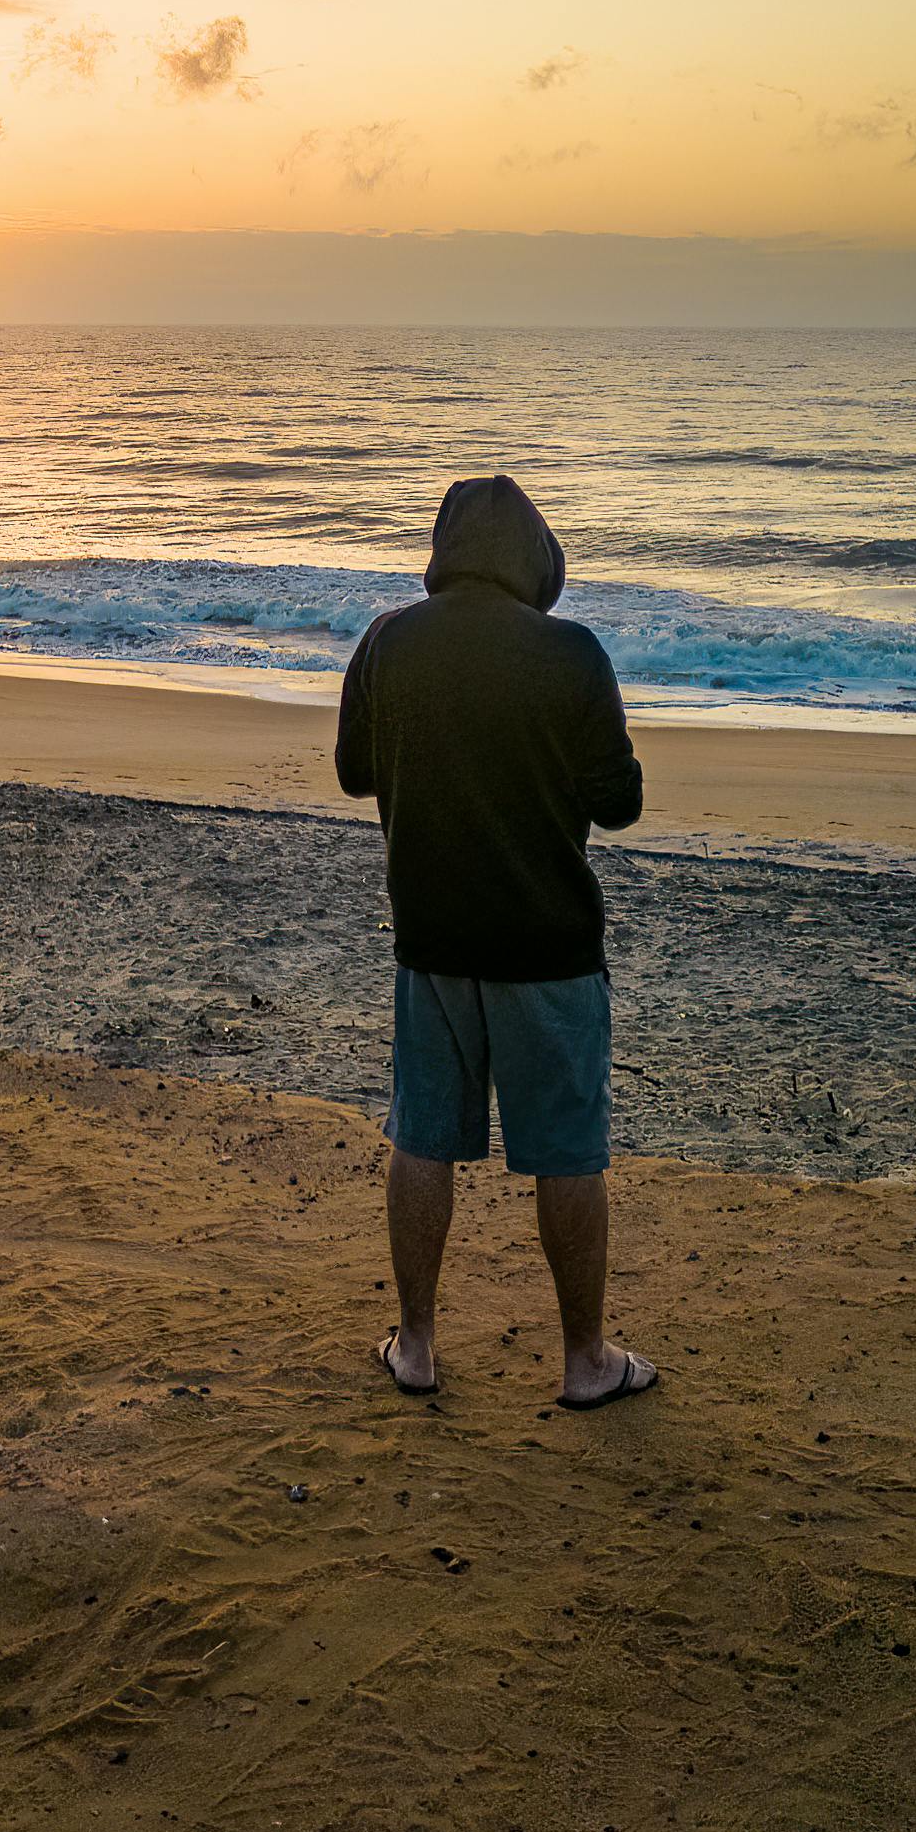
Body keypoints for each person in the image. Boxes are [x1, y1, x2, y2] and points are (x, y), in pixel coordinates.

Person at [336, 470, 657, 1409]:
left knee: (423, 1137)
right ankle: (585, 1361)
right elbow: (621, 803)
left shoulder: (388, 642)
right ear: (537, 561)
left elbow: (357, 774)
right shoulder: (571, 654)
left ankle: (420, 1347)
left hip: (431, 938)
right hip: (547, 944)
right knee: (565, 1151)